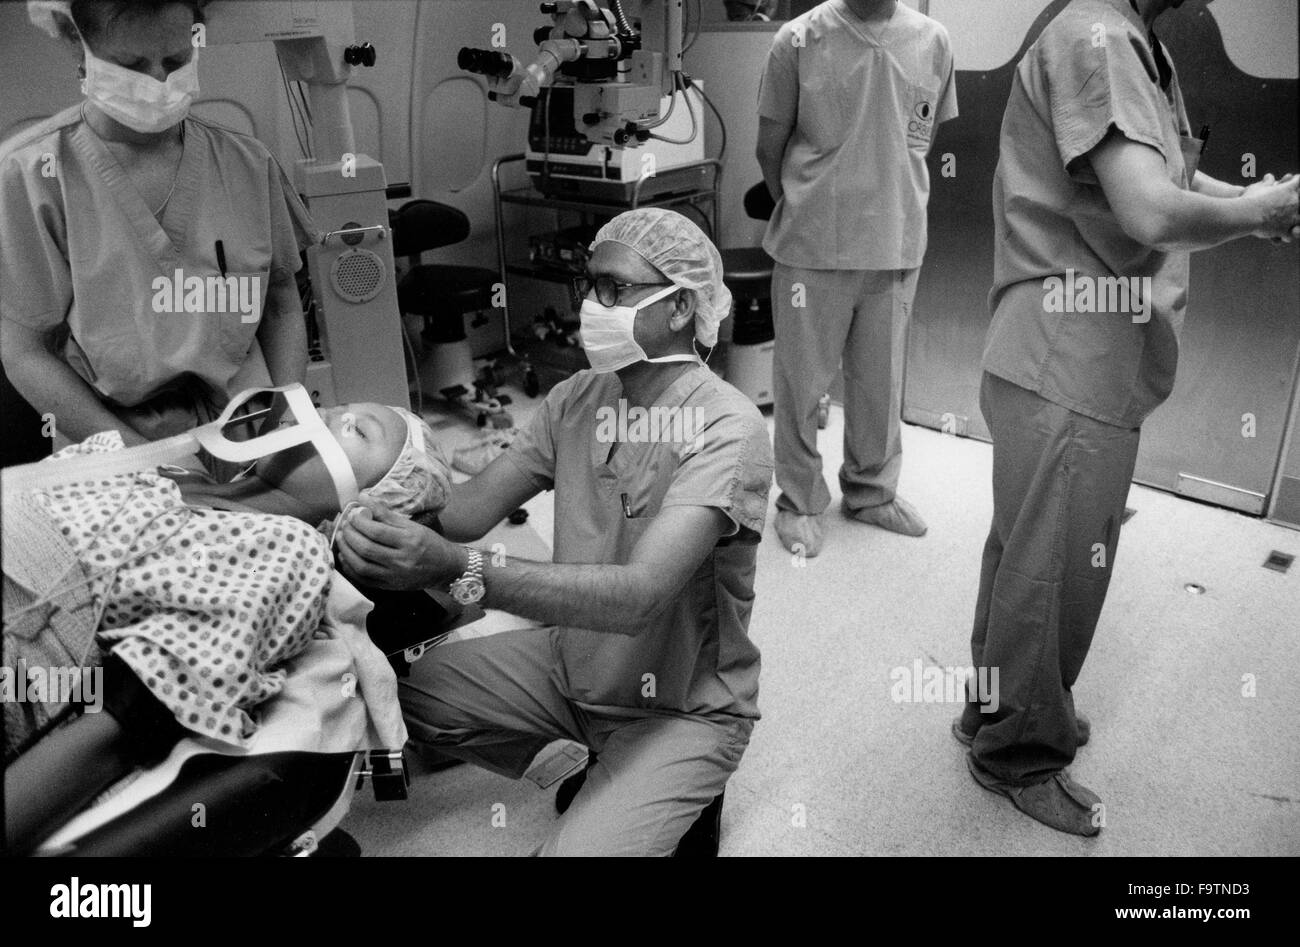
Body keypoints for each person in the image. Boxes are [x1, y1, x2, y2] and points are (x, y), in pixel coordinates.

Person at [956, 0, 1300, 837]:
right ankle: (1019, 753)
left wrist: (1251, 198)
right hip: (1073, 357)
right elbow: (1148, 211)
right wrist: (1258, 214)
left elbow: (1160, 175)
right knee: (1054, 571)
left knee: (1025, 549)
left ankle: (990, 709)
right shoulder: (1100, 40)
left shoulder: (1130, 40)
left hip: (1053, 350)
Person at [336, 208, 774, 857]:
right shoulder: (577, 399)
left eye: (614, 288)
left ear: (681, 306)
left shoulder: (726, 431)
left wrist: (452, 566)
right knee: (404, 701)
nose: (588, 305)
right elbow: (465, 511)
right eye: (589, 284)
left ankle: (683, 787)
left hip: (682, 706)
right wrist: (376, 477)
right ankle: (582, 756)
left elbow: (636, 596)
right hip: (575, 665)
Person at [3, 398, 450, 852]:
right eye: (341, 406)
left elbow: (136, 710)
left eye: (360, 431)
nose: (331, 414)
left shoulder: (287, 548)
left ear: (358, 514)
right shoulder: (172, 467)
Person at [0, 0, 316, 471]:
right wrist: (141, 461)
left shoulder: (246, 162)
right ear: (75, 41)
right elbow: (24, 350)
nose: (157, 83)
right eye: (130, 66)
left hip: (252, 426)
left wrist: (280, 421)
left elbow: (281, 302)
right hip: (111, 443)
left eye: (175, 61)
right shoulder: (32, 175)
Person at [755, 0, 957, 557]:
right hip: (812, 242)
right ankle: (797, 501)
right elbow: (768, 146)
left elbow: (918, 140)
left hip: (894, 241)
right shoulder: (797, 40)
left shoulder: (933, 40)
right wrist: (804, 206)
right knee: (800, 383)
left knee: (881, 379)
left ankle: (870, 492)